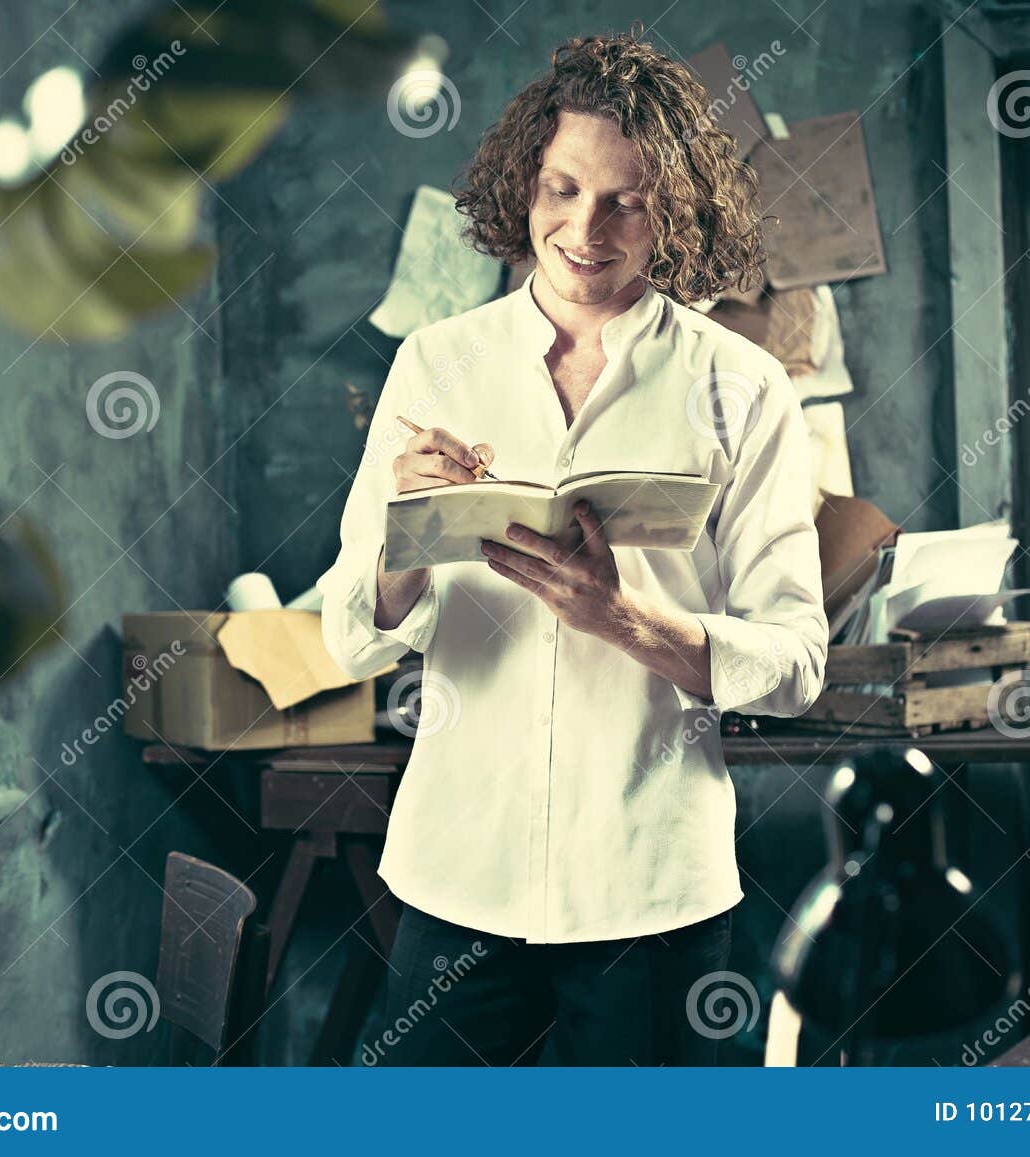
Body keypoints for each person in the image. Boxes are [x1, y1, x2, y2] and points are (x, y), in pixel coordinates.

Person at [319, 33, 827, 1065]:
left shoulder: (742, 384)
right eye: (561, 189)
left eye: (624, 201)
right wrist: (405, 542)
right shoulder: (435, 365)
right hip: (458, 868)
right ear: (524, 185)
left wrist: (624, 617)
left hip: (649, 883)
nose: (584, 229)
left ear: (672, 212)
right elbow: (345, 640)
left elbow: (796, 663)